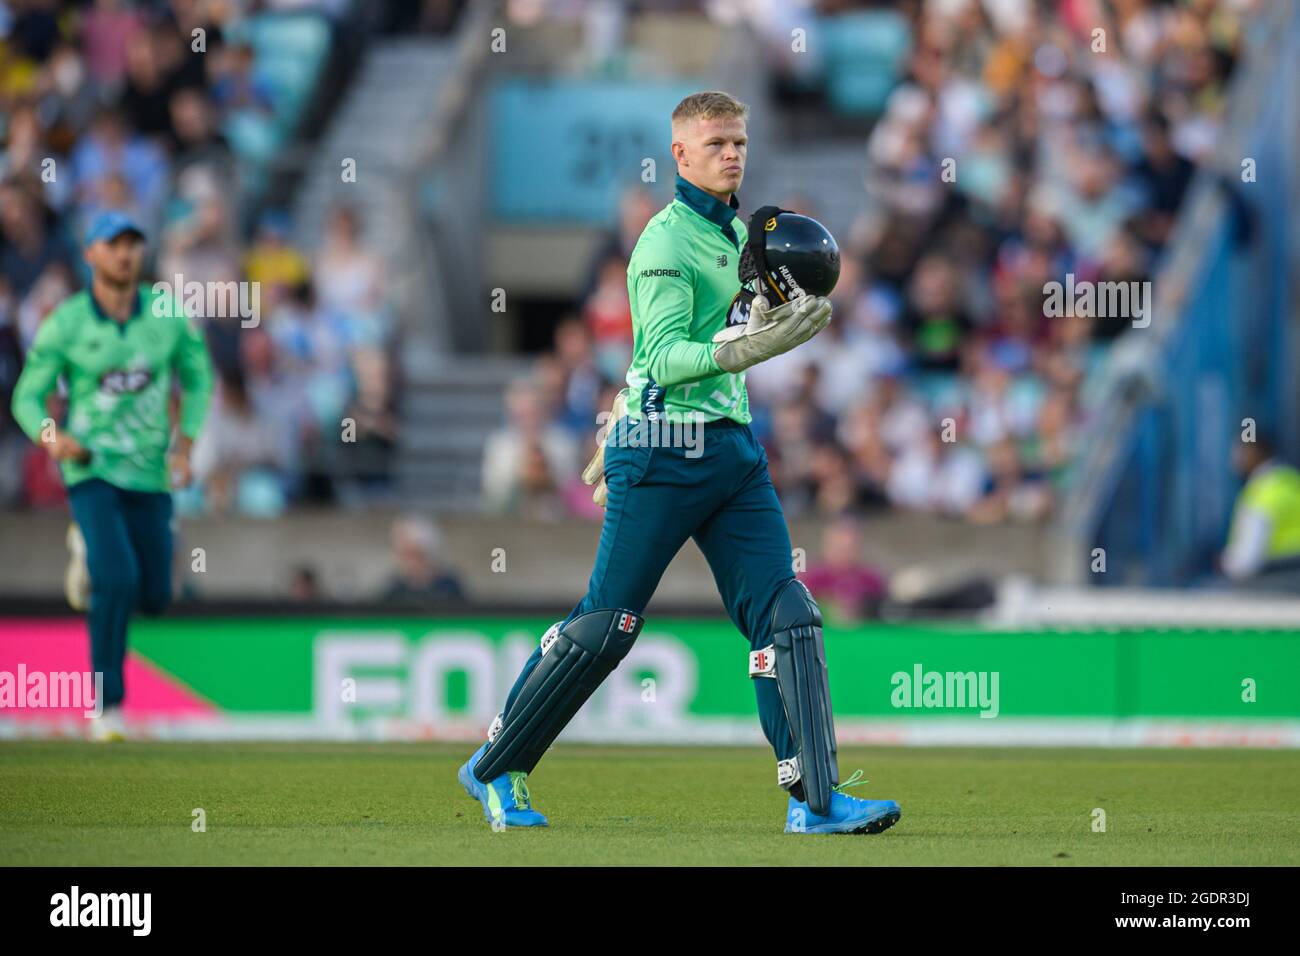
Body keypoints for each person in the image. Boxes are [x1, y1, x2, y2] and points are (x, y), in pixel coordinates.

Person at [458, 91, 901, 835]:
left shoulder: (745, 236)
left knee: (787, 614)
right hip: (663, 453)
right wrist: (748, 347)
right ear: (681, 155)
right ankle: (496, 766)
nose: (732, 154)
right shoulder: (662, 244)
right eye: (717, 142)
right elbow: (661, 357)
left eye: (740, 142)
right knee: (608, 627)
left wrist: (758, 326)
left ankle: (815, 802)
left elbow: (723, 333)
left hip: (730, 447)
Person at [9, 211, 213, 740]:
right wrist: (53, 437)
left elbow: (197, 376)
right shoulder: (67, 321)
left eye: (132, 244)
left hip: (150, 475)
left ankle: (88, 561)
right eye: (113, 245)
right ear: (91, 253)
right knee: (115, 578)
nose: (125, 254)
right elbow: (27, 396)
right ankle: (107, 705)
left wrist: (185, 444)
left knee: (154, 597)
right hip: (91, 470)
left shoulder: (166, 313)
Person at [1221, 436, 1300, 584]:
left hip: (1275, 582)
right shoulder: (1291, 480)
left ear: (1254, 452)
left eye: (1240, 451)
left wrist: (1225, 563)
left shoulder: (1261, 493)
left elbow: (1245, 562)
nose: (1235, 459)